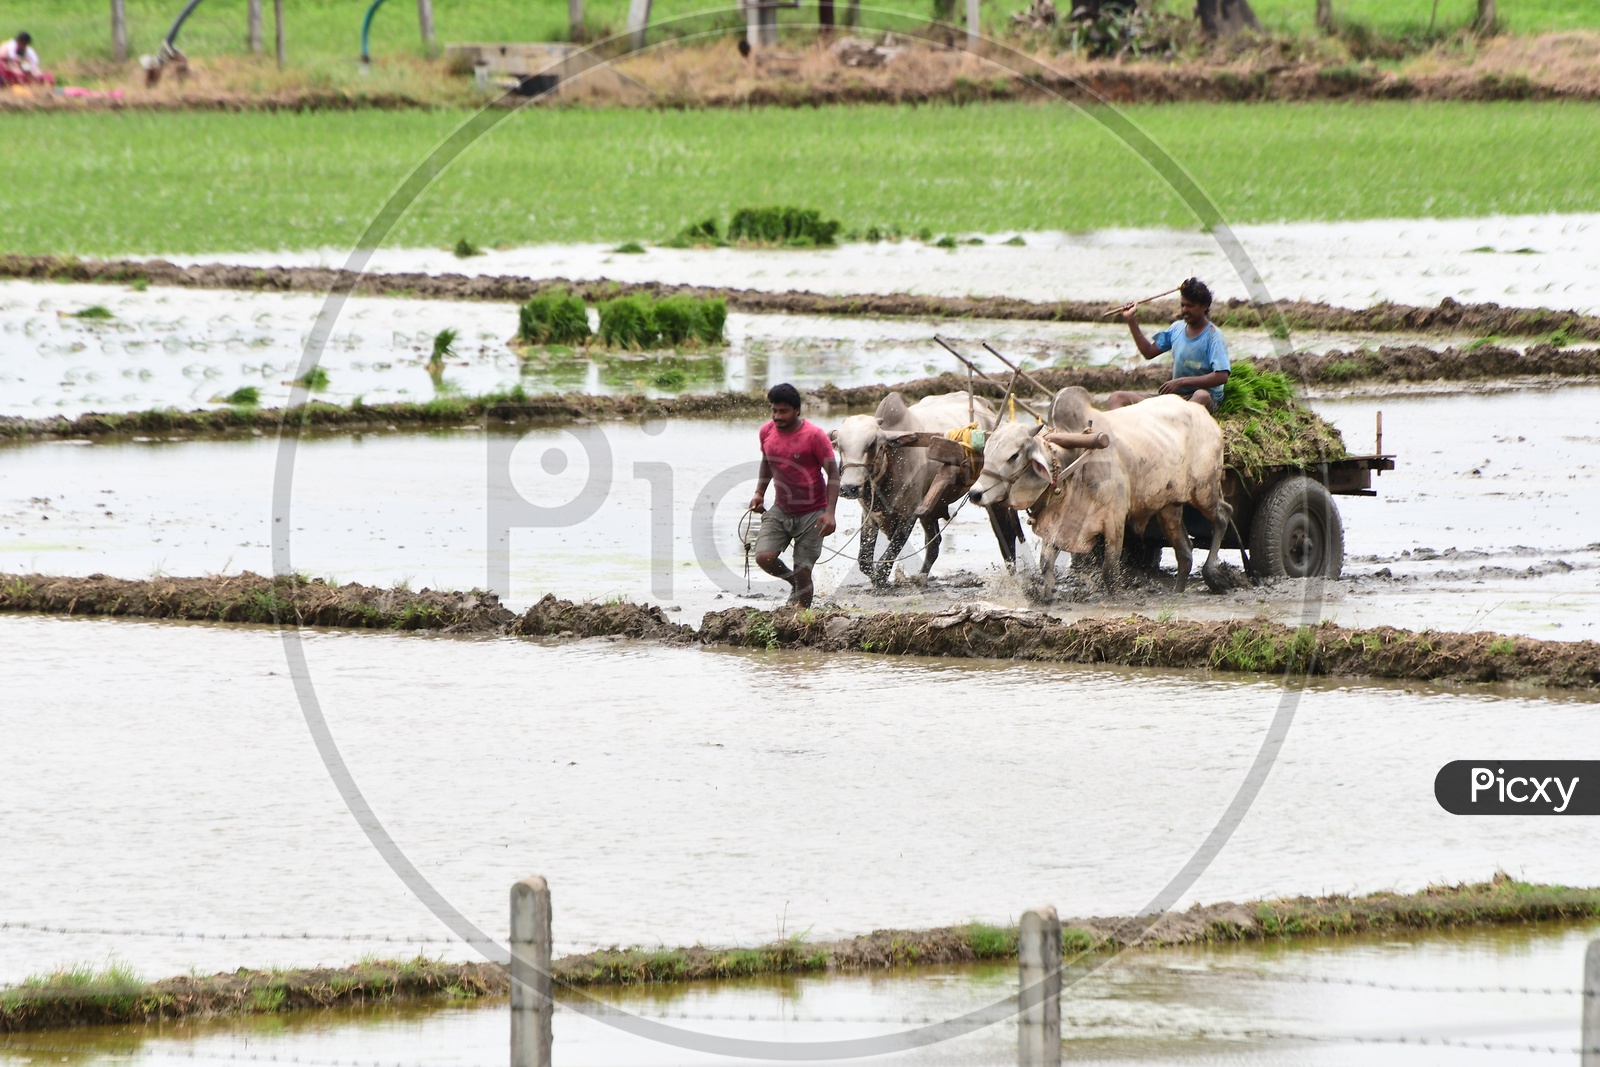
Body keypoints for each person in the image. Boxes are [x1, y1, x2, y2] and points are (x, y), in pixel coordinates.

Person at [748, 383, 839, 608]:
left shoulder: (814, 436)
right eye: (774, 410)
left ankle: (803, 616)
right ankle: (793, 583)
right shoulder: (766, 432)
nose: (777, 416)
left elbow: (834, 473)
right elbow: (767, 462)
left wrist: (830, 513)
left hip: (813, 511)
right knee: (764, 557)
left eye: (783, 411)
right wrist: (759, 493)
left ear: (797, 410)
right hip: (782, 507)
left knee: (803, 569)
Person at [1107, 276, 1230, 413]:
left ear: (1204, 306)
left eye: (1190, 306)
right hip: (1175, 399)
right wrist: (1131, 319)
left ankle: (1178, 419)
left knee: (1201, 395)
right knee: (1116, 397)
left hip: (1204, 399)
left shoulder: (1213, 336)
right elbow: (1148, 352)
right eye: (1182, 305)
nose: (1184, 310)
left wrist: (1181, 382)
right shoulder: (1176, 328)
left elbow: (1222, 376)